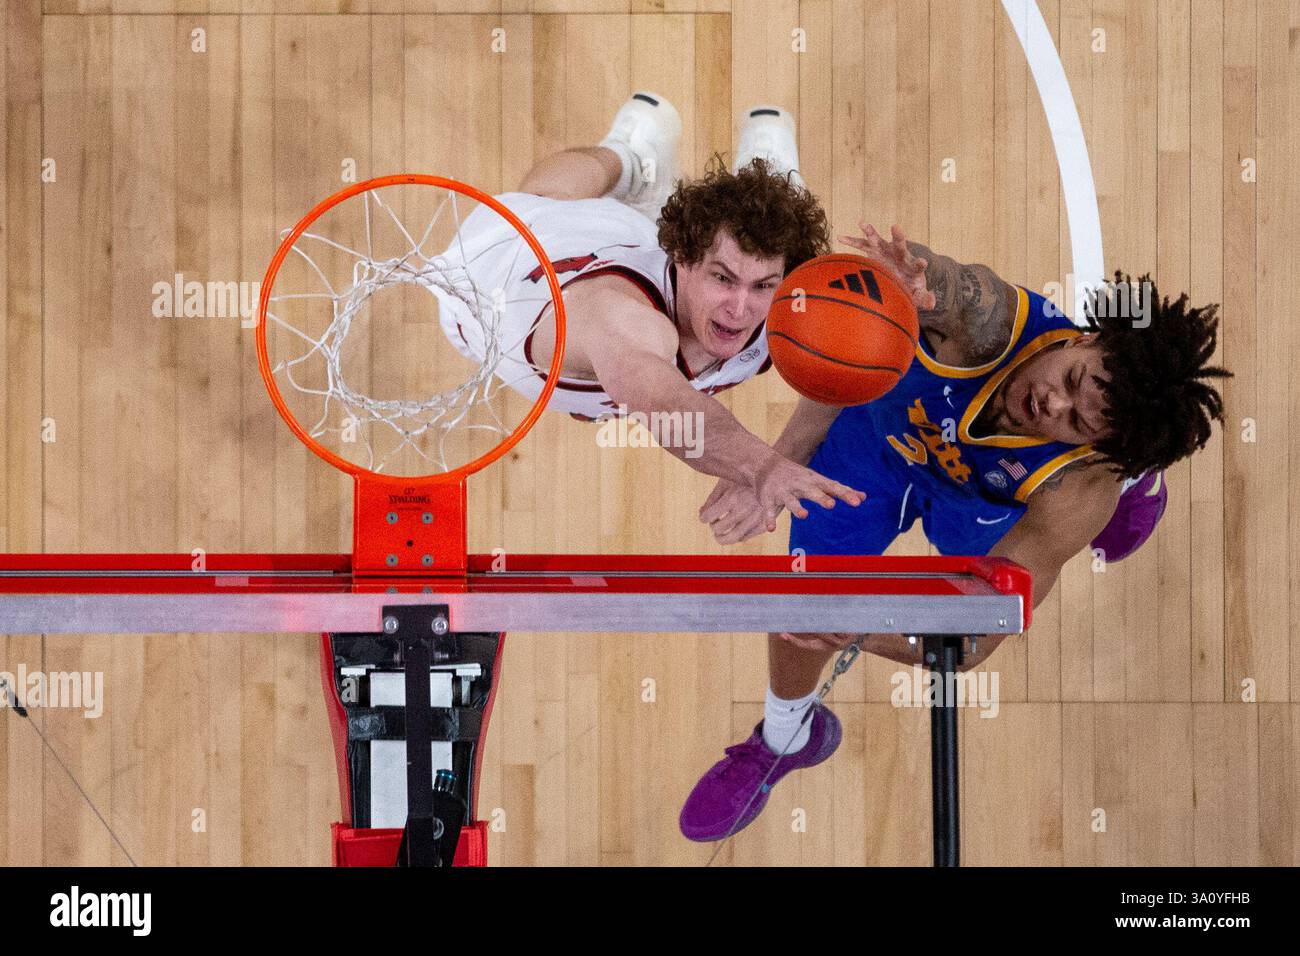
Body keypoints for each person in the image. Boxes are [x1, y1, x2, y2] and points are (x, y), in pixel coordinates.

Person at [680, 222, 1232, 843]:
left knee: (1082, 533)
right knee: (801, 600)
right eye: (1073, 380)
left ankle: (1137, 481)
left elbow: (971, 645)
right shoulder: (989, 323)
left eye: (1079, 421)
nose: (1052, 404)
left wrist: (860, 627)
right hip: (880, 445)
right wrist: (776, 464)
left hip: (984, 500)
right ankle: (786, 737)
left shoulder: (1076, 490)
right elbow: (949, 289)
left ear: (1098, 446)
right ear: (1088, 336)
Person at [436, 91, 864, 522]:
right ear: (679, 255)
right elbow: (663, 403)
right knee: (547, 196)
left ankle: (767, 175)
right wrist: (763, 468)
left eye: (763, 285)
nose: (739, 308)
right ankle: (627, 156)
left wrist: (783, 457)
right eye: (722, 278)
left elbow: (841, 368)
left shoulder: (788, 302)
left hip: (625, 238)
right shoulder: (617, 318)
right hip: (504, 268)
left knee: (769, 229)